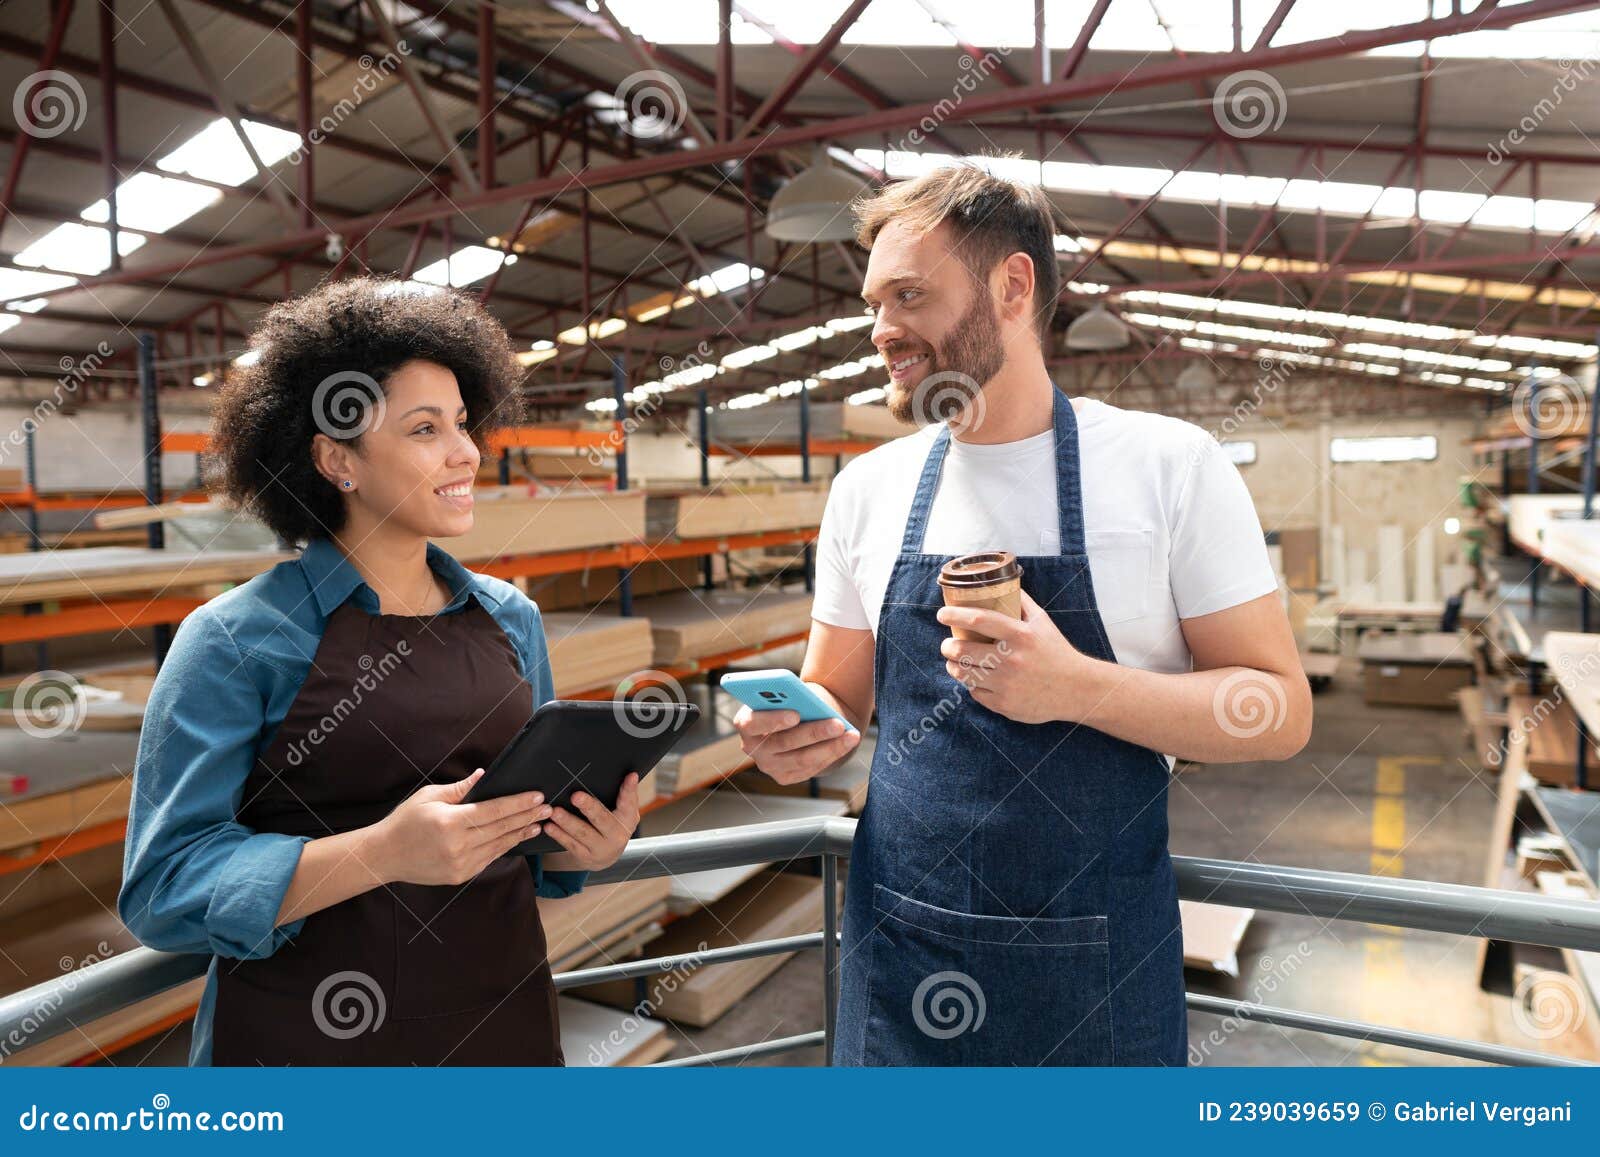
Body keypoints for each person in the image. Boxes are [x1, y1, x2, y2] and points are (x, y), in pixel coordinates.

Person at [732, 164, 1313, 1066]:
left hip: (1095, 976)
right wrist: (793, 730)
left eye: (911, 295)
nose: (882, 329)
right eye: (874, 301)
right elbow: (836, 699)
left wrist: (1075, 687)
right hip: (899, 960)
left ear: (1012, 286)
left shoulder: (1168, 467)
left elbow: (1278, 710)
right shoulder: (868, 490)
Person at [119, 277, 638, 1066]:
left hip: (502, 1029)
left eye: (463, 423)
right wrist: (383, 852)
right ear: (338, 458)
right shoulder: (234, 639)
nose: (465, 451)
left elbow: (532, 842)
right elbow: (164, 885)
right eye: (425, 428)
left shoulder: (509, 618)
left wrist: (584, 845)